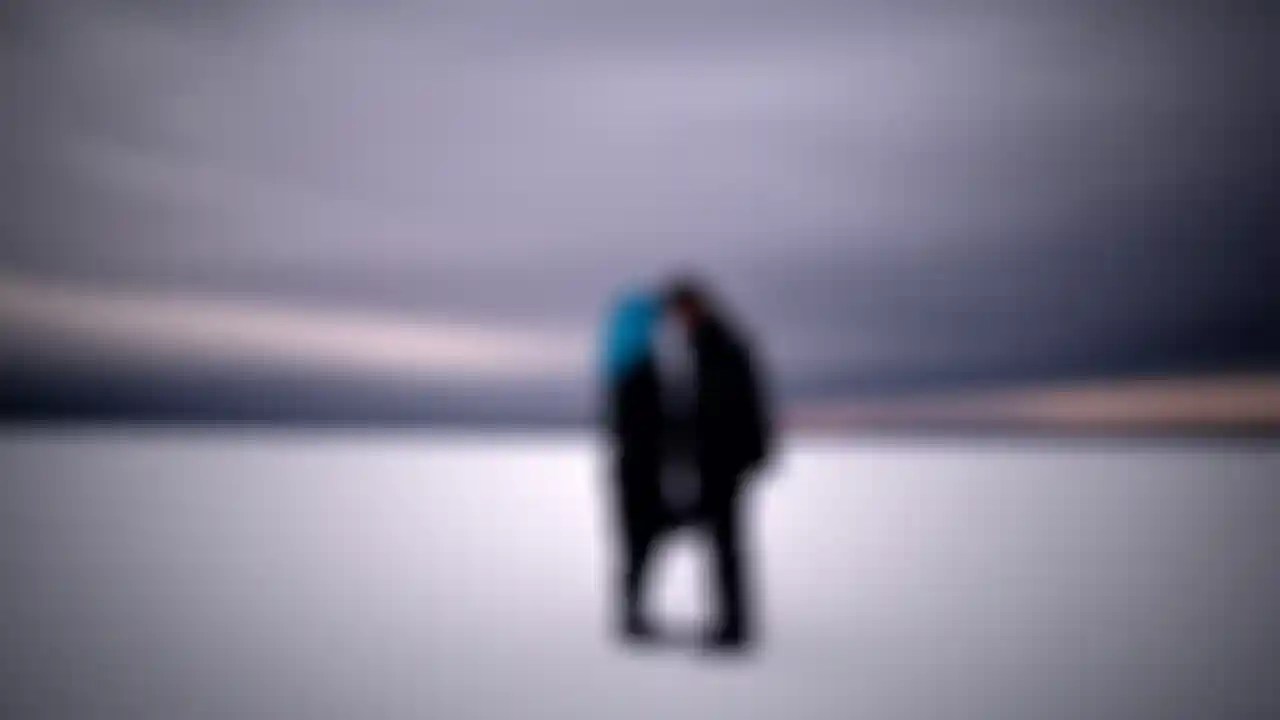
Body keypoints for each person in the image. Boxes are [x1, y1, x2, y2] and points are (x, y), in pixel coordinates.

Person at [665, 278, 771, 649]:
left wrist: (753, 452)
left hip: (725, 459)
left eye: (681, 311)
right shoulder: (705, 345)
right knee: (719, 542)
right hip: (717, 458)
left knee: (724, 543)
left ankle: (732, 627)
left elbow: (741, 401)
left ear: (696, 306)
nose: (678, 320)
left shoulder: (719, 344)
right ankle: (728, 620)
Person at [602, 292, 666, 641]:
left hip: (629, 469)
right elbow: (646, 425)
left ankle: (633, 612)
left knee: (635, 545)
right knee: (639, 544)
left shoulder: (618, 367)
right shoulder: (638, 369)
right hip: (640, 472)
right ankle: (634, 616)